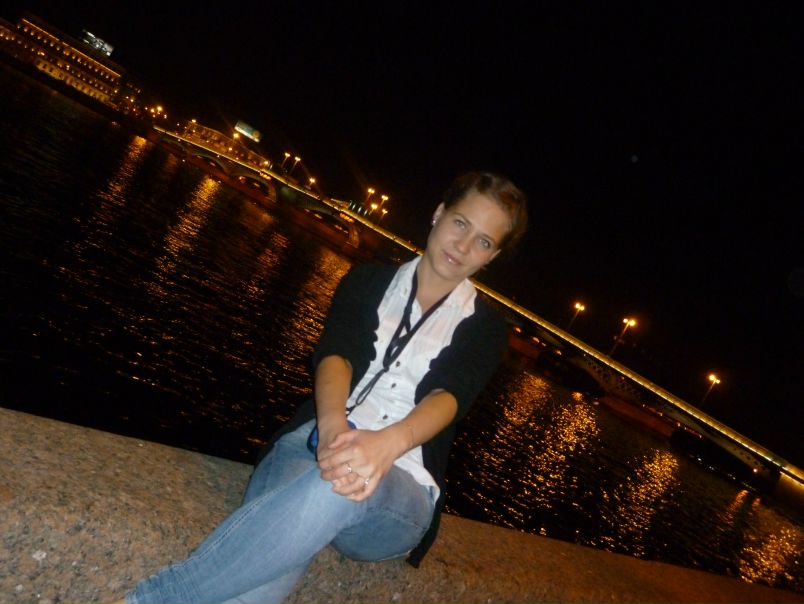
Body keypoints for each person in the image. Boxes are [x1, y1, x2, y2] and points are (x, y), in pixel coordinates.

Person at [113, 171, 528, 604]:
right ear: (439, 214)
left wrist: (384, 446)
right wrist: (331, 430)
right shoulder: (366, 282)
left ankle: (153, 599)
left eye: (483, 241)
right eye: (460, 223)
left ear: (492, 255)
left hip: (401, 483)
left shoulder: (485, 329)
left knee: (336, 484)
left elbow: (449, 396)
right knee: (276, 557)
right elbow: (337, 355)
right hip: (314, 443)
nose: (463, 245)